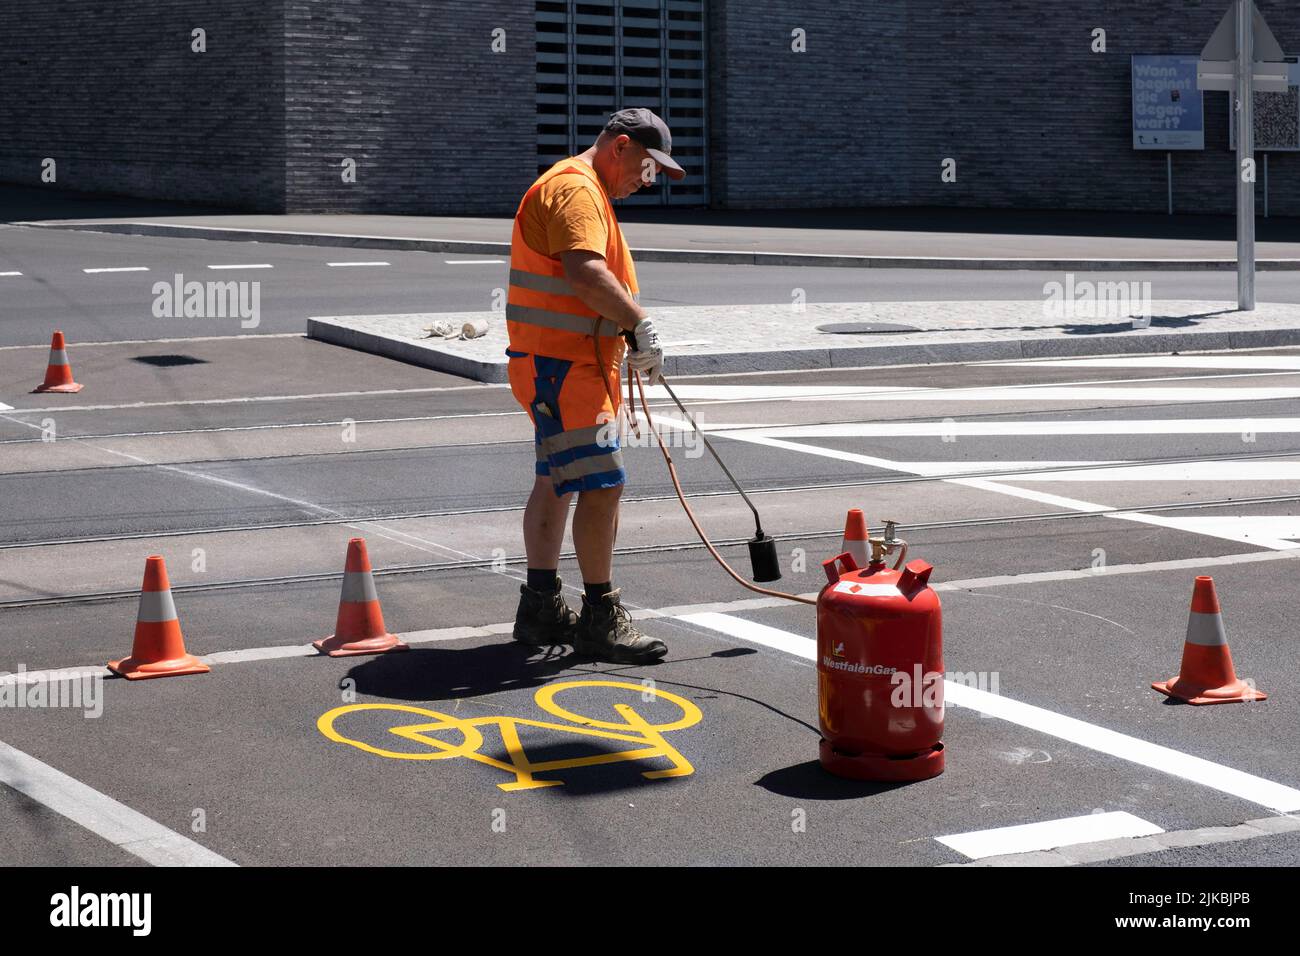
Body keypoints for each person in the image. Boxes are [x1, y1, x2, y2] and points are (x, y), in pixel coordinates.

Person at [506, 107, 686, 663]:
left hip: (554, 366)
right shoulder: (577, 190)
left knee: (555, 481)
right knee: (603, 485)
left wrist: (624, 332)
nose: (647, 179)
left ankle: (540, 606)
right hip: (566, 371)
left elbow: (584, 281)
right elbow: (584, 271)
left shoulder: (583, 189)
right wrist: (638, 323)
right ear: (621, 146)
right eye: (647, 166)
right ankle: (599, 617)